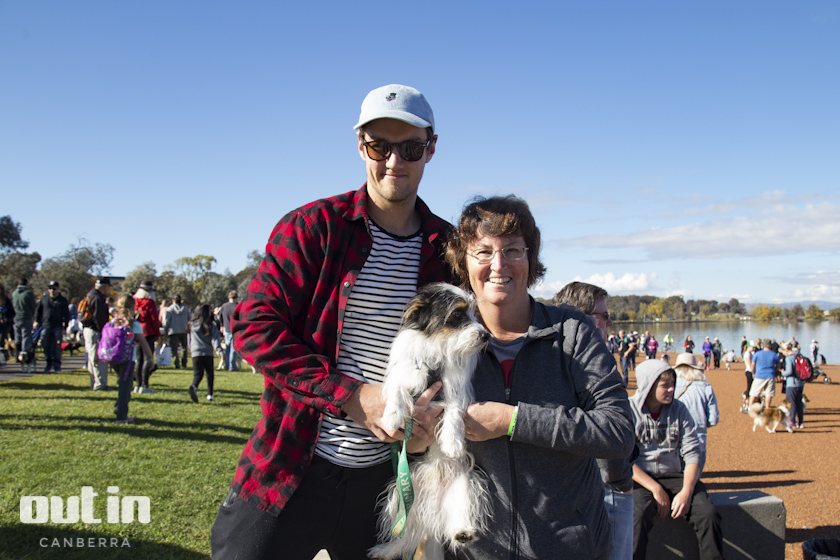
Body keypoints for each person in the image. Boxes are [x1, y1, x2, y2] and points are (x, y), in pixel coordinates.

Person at [210, 84, 451, 560]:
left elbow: (458, 352)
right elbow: (254, 325)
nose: (394, 162)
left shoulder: (446, 249)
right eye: (379, 147)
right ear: (361, 145)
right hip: (292, 464)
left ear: (431, 149)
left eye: (410, 148)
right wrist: (353, 397)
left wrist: (430, 421)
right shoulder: (312, 227)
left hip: (386, 480)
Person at [442, 195, 634, 559]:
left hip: (570, 549)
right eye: (483, 251)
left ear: (531, 259)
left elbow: (619, 431)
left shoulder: (572, 332)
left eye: (513, 250)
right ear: (464, 261)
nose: (498, 264)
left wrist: (512, 420)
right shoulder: (445, 340)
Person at [554, 280, 635, 560]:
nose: (609, 322)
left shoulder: (556, 356)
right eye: (604, 315)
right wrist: (621, 480)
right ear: (584, 317)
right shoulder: (585, 362)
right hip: (605, 490)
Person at [630, 359, 724, 560]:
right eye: (665, 386)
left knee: (708, 514)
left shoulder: (680, 409)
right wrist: (656, 489)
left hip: (674, 475)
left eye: (673, 384)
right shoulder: (628, 410)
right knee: (637, 516)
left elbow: (693, 453)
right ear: (648, 386)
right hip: (641, 479)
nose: (672, 389)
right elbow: (623, 460)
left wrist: (687, 492)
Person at [111, 295, 155, 424]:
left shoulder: (113, 322)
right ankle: (121, 416)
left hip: (113, 357)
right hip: (127, 358)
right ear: (133, 307)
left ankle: (119, 405)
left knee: (124, 383)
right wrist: (150, 358)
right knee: (126, 386)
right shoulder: (133, 324)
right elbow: (143, 342)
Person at [673, 353, 719, 465]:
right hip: (698, 441)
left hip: (673, 442)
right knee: (694, 474)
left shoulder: (669, 387)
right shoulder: (705, 388)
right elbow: (713, 419)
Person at [33, 280, 70, 373]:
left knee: (57, 346)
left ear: (58, 289)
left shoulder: (62, 300)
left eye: (54, 289)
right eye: (50, 288)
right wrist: (36, 321)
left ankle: (57, 364)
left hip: (57, 326)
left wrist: (64, 327)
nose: (52, 290)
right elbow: (38, 311)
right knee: (45, 345)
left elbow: (66, 314)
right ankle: (48, 363)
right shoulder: (44, 299)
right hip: (45, 326)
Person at [82, 277, 112, 390]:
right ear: (104, 286)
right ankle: (100, 384)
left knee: (91, 358)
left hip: (88, 329)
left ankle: (94, 382)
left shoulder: (89, 295)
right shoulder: (98, 298)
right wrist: (104, 333)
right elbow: (99, 318)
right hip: (95, 330)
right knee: (98, 358)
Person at [188, 303, 222, 402]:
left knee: (198, 374)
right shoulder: (210, 325)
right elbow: (215, 339)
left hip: (195, 353)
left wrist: (191, 349)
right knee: (209, 374)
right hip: (207, 353)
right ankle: (209, 394)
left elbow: (189, 339)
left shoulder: (191, 325)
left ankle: (194, 386)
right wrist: (219, 350)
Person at [133, 281, 160, 394]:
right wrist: (157, 333)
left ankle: (138, 385)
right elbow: (154, 320)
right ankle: (145, 385)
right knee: (148, 359)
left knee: (139, 359)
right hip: (147, 332)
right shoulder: (150, 302)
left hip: (136, 331)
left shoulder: (135, 301)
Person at [12, 278, 37, 373]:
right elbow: (33, 306)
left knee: (18, 337)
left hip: (16, 318)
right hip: (26, 317)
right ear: (26, 284)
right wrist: (34, 316)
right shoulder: (28, 293)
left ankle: (17, 354)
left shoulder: (14, 293)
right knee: (26, 337)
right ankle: (25, 353)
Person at [748, 340, 779, 409]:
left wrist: (753, 373)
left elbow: (753, 365)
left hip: (759, 375)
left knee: (754, 392)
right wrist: (775, 371)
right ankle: (767, 408)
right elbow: (778, 365)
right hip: (770, 375)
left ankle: (750, 407)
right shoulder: (774, 354)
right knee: (769, 393)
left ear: (763, 345)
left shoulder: (758, 353)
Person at [781, 345, 805, 429]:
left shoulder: (789, 358)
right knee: (799, 402)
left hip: (792, 383)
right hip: (801, 383)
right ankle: (800, 422)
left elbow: (789, 371)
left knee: (791, 403)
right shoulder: (800, 356)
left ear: (786, 350)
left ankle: (792, 421)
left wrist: (782, 373)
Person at [164, 295, 191, 369]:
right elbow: (190, 319)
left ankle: (177, 363)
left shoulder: (170, 309)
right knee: (184, 347)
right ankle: (184, 363)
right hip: (183, 330)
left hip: (173, 331)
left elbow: (167, 320)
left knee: (174, 348)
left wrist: (166, 329)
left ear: (173, 300)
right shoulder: (185, 309)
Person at [217, 290, 240, 371]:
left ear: (229, 297)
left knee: (227, 348)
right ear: (236, 298)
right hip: (235, 329)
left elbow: (220, 317)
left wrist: (221, 325)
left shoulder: (224, 306)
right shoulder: (238, 306)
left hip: (226, 328)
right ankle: (232, 365)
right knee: (234, 349)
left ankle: (227, 364)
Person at [0, 283, 15, 368]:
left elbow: (12, 313)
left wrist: (6, 319)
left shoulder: (6, 301)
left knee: (1, 342)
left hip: (5, 325)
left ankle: (2, 360)